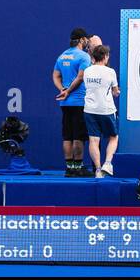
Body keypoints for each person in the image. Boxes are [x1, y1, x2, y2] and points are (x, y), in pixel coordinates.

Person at [52, 27, 92, 176]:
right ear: (82, 40)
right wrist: (68, 91)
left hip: (65, 103)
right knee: (79, 136)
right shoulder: (84, 56)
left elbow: (55, 75)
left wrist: (62, 89)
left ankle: (69, 168)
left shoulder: (62, 56)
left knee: (67, 135)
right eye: (86, 39)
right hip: (79, 102)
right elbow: (81, 77)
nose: (87, 41)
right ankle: (78, 167)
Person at [82, 43, 121, 177]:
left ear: (93, 57)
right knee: (114, 137)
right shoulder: (110, 72)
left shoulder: (87, 71)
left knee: (93, 140)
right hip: (106, 110)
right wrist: (116, 91)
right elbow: (116, 92)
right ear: (105, 56)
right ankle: (107, 163)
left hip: (90, 110)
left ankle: (98, 170)